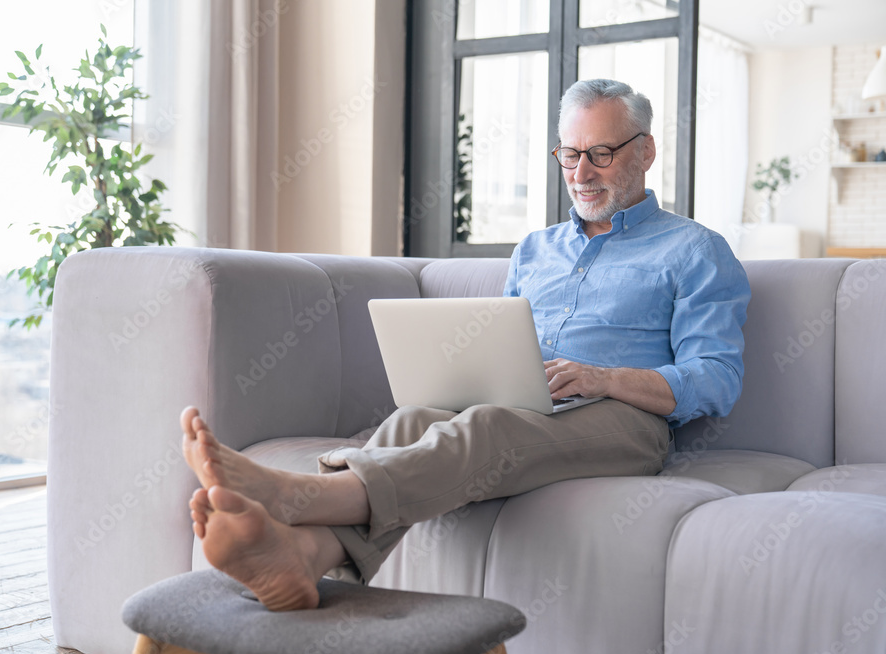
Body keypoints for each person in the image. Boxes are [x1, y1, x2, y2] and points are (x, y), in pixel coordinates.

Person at [181, 78, 751, 612]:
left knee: (486, 429)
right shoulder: (535, 249)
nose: (581, 173)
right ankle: (304, 560)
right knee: (417, 418)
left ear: (646, 151)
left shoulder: (695, 249)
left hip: (625, 422)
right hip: (529, 404)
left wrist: (604, 377)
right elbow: (497, 338)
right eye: (569, 154)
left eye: (601, 153)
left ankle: (297, 497)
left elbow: (716, 378)